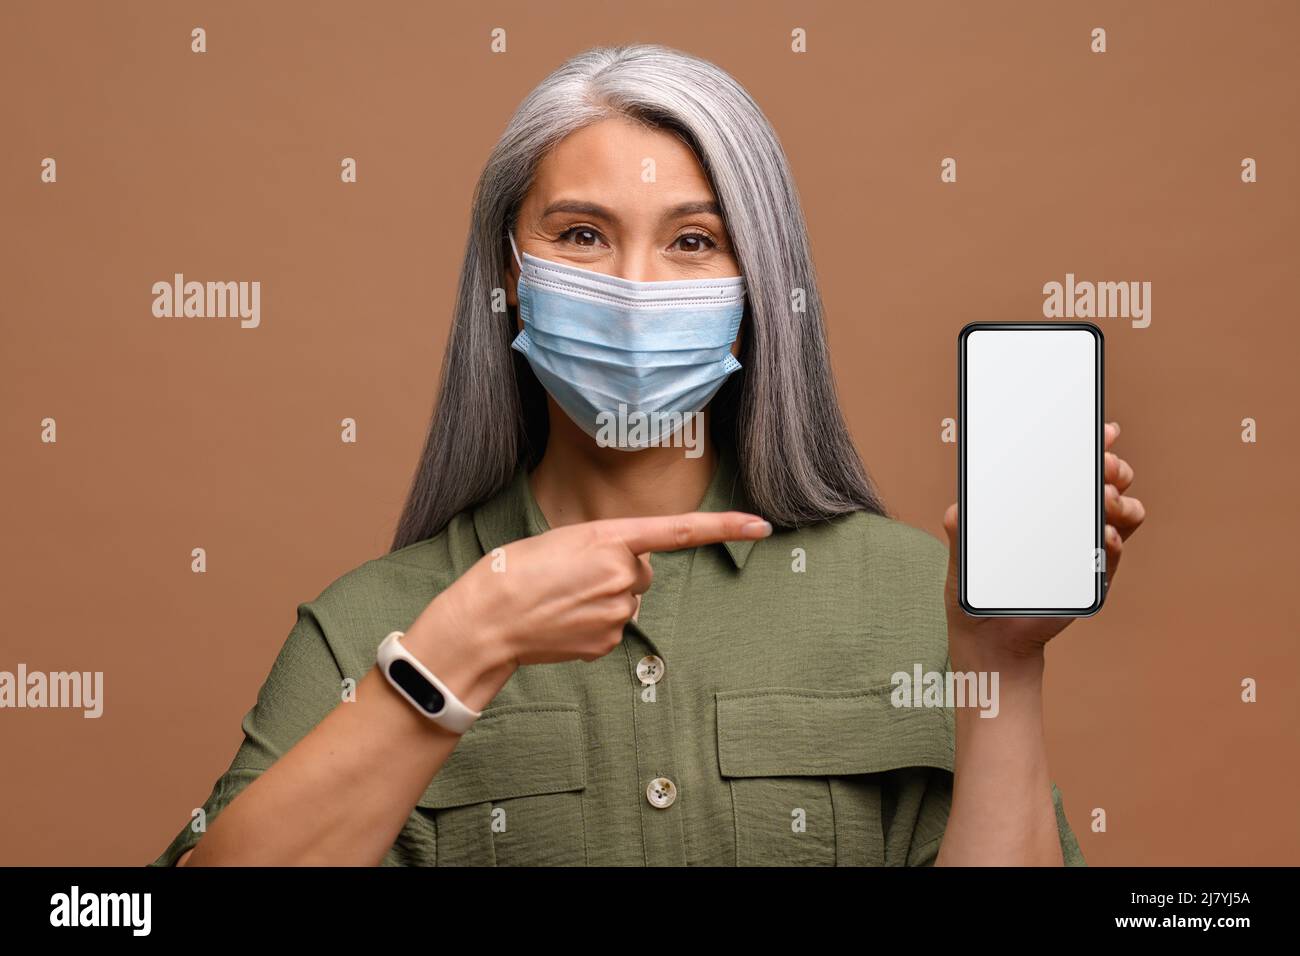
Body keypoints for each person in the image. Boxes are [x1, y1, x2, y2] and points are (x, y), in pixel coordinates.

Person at [151, 43, 1145, 867]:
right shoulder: (369, 624)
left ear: (760, 281)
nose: (632, 286)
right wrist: (454, 655)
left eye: (693, 242)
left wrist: (999, 666)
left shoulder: (915, 597)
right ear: (510, 271)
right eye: (582, 234)